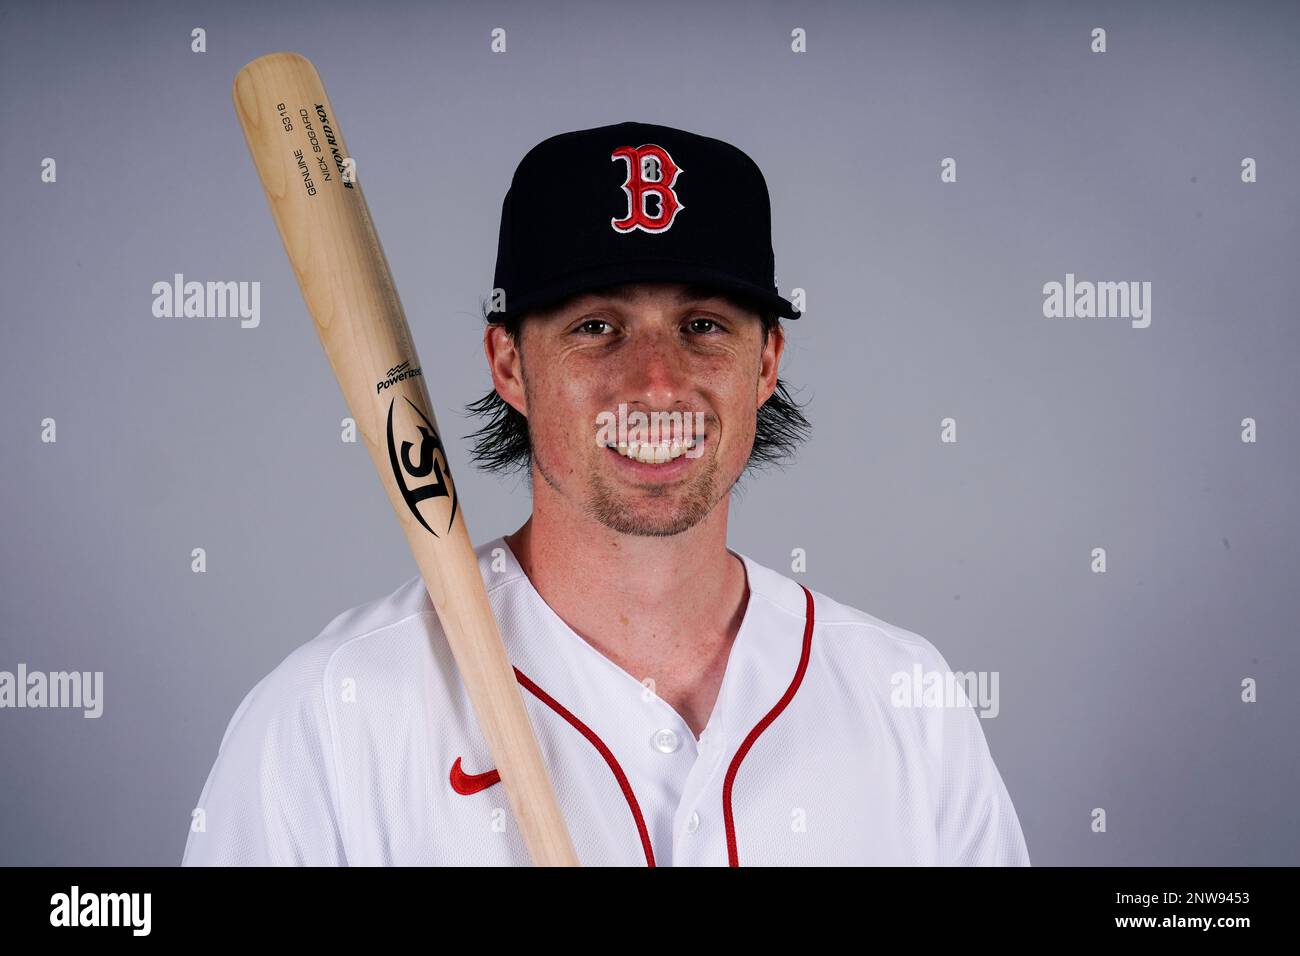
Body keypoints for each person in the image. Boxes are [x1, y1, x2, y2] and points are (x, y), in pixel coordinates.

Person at [182, 122, 1029, 866]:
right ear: (510, 362)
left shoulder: (906, 698)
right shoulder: (333, 714)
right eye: (597, 327)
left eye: (703, 326)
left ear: (766, 363)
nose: (656, 383)